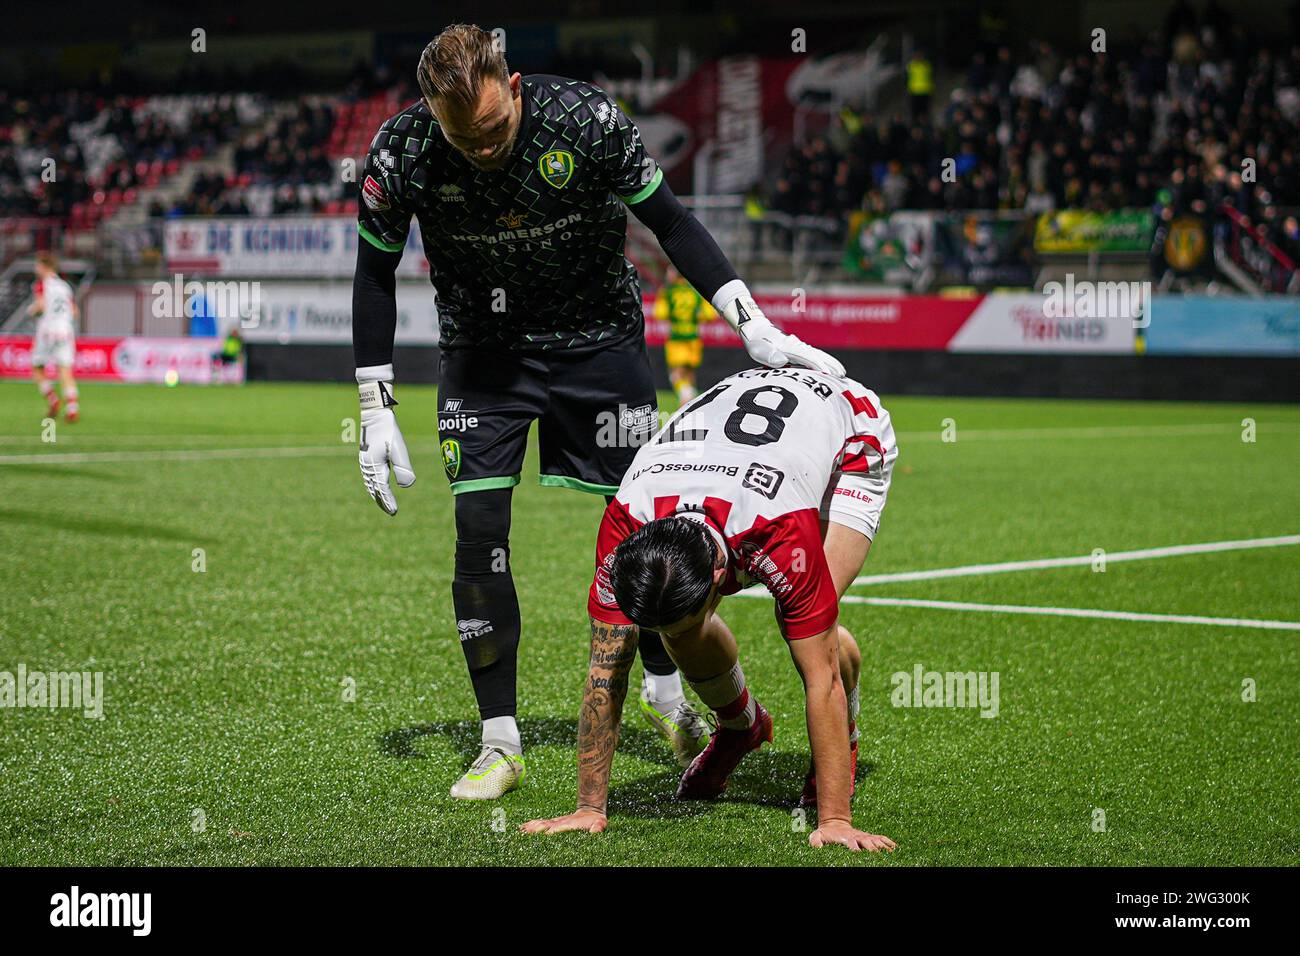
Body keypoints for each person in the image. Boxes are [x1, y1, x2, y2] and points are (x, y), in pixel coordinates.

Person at [351, 24, 844, 800]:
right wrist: (374, 403)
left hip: (600, 347)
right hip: (484, 359)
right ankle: (499, 742)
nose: (483, 149)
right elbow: (374, 274)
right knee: (478, 535)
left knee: (650, 531)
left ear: (515, 89)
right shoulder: (402, 151)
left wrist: (750, 321)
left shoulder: (588, 120)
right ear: (430, 115)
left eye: (494, 129)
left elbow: (671, 221)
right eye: (463, 138)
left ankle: (665, 692)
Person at [522, 366, 899, 851]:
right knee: (679, 629)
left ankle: (844, 741)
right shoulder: (627, 521)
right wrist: (589, 808)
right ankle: (741, 727)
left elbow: (820, 677)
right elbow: (606, 671)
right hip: (730, 456)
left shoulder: (780, 532)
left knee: (815, 636)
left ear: (721, 576)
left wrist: (835, 820)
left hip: (850, 435)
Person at [28, 252, 79, 423]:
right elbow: (74, 311)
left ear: (44, 266)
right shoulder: (65, 286)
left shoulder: (42, 284)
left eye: (37, 265)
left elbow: (41, 306)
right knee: (65, 369)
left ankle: (53, 399)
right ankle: (72, 408)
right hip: (65, 330)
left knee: (37, 367)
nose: (36, 269)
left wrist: (31, 311)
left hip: (48, 330)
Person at [654, 264, 716, 404]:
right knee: (689, 373)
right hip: (693, 338)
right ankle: (691, 403)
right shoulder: (696, 291)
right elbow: (709, 314)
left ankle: (685, 398)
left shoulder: (668, 291)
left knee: (675, 373)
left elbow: (659, 313)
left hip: (676, 338)